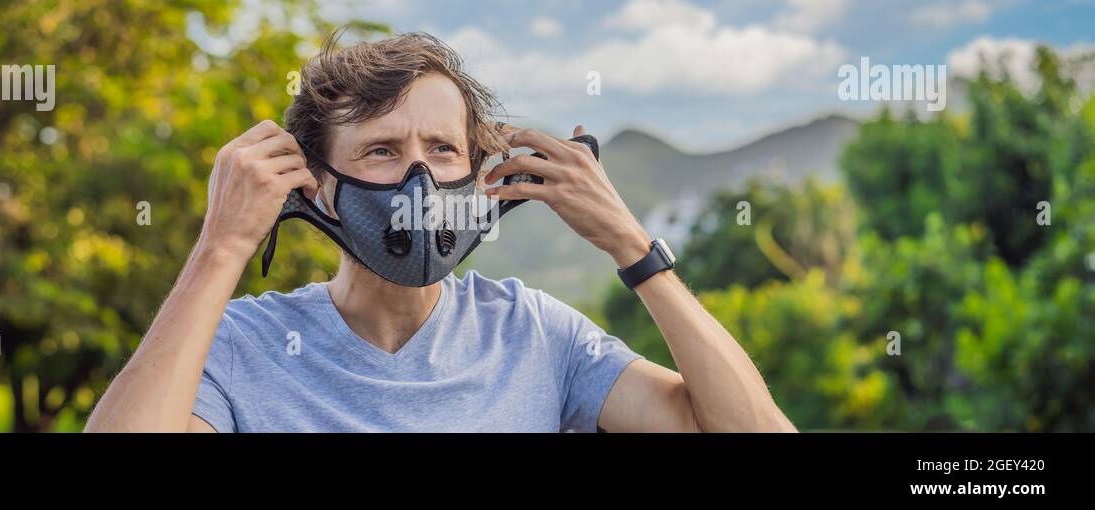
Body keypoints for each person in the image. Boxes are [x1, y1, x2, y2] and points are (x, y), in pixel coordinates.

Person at [85, 33, 795, 433]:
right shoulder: (246, 345)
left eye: (443, 149)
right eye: (382, 151)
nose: (418, 182)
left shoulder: (537, 333)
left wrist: (634, 249)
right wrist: (220, 250)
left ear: (477, 172)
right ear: (317, 184)